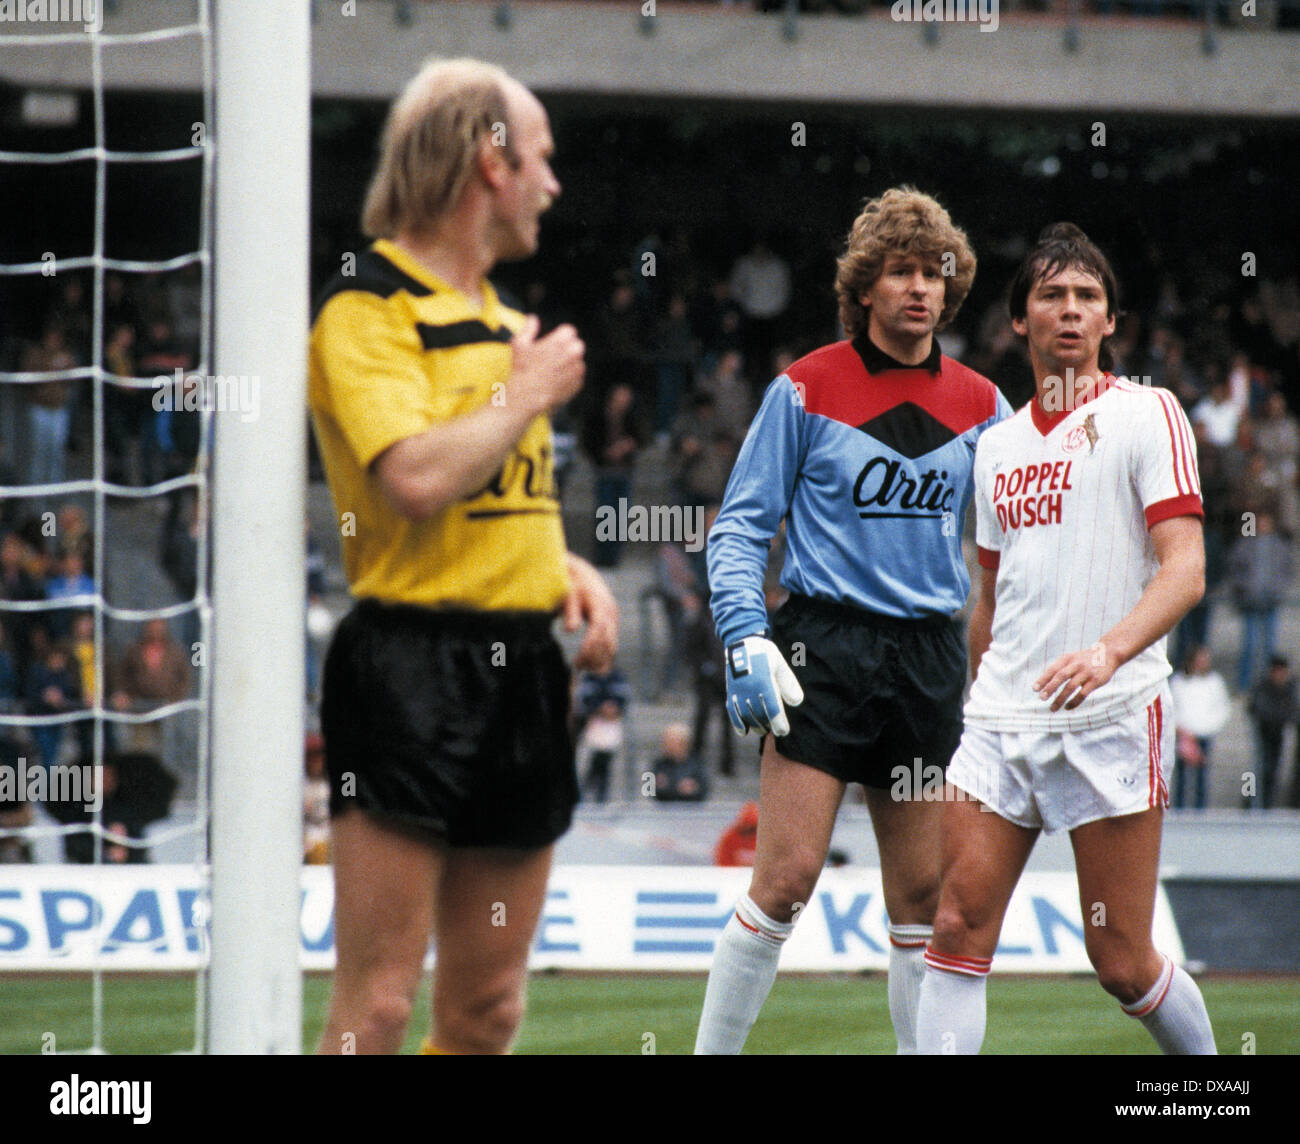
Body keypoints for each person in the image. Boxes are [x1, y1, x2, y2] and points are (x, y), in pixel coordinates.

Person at [307, 58, 617, 1055]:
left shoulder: (503, 324)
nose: (552, 183)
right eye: (541, 159)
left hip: (522, 670)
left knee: (487, 1015)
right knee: (380, 1008)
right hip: (405, 670)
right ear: (490, 162)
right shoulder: (367, 304)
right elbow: (413, 478)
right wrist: (522, 394)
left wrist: (563, 566)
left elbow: (493, 494)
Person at [697, 188, 1009, 1054]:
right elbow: (740, 525)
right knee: (786, 880)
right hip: (821, 651)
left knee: (922, 905)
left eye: (935, 273)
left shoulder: (986, 407)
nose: (921, 288)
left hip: (929, 662)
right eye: (901, 272)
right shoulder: (804, 388)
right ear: (864, 288)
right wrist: (743, 634)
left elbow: (1014, 548)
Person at [914, 223, 1216, 1055]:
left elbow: (1184, 571)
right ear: (1021, 321)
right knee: (956, 923)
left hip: (1111, 713)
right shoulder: (997, 447)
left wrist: (1108, 651)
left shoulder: (1148, 415)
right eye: (1051, 295)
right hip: (1001, 721)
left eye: (1089, 297)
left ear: (1112, 321)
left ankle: (1212, 1088)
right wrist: (973, 701)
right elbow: (989, 594)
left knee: (1120, 960)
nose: (1071, 311)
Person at [1169, 646, 1231, 811]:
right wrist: (1181, 728)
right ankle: (1180, 807)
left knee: (1202, 774)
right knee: (1182, 775)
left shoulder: (1214, 682)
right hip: (1184, 734)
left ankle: (1200, 808)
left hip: (1204, 733)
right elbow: (1172, 707)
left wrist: (1209, 726)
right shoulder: (1178, 681)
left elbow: (1222, 708)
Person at [1245, 654, 1295, 809]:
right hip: (1261, 736)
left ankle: (1267, 805)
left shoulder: (1288, 689)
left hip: (1277, 737)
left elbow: (1292, 711)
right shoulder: (1262, 688)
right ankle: (1251, 803)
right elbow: (1257, 709)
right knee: (1256, 773)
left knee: (1272, 774)